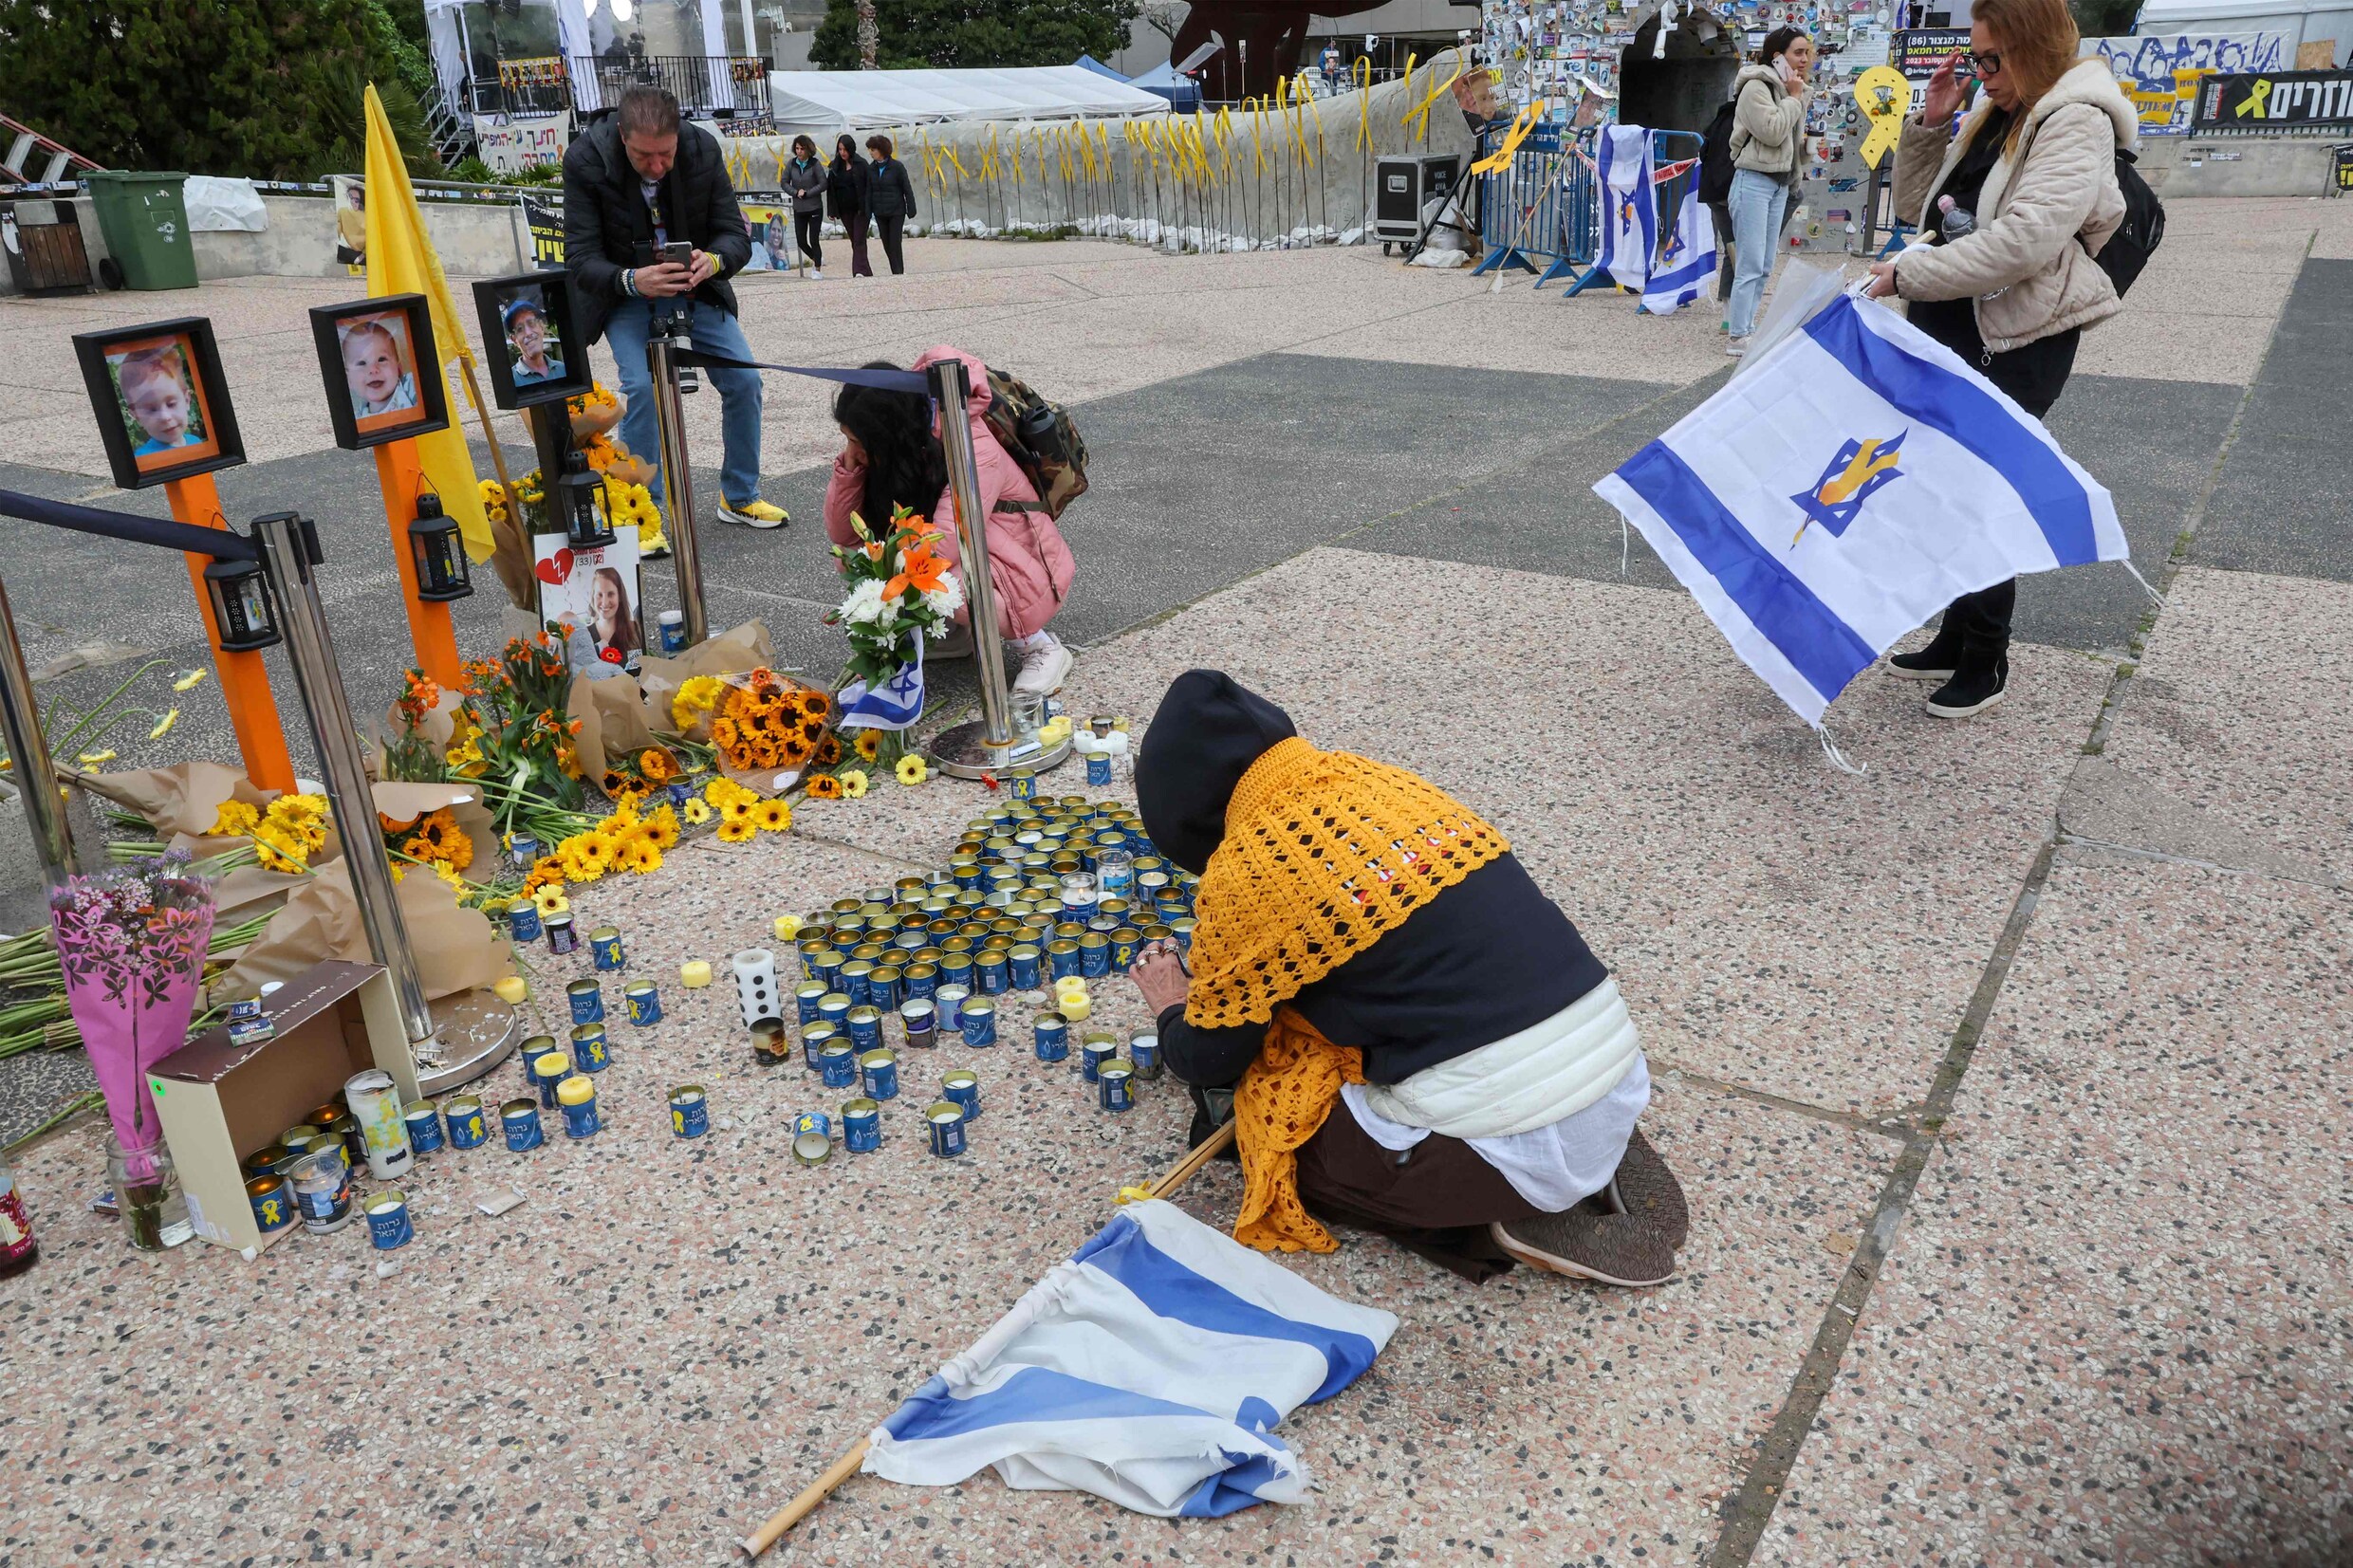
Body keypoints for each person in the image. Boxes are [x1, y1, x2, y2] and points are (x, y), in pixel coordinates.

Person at [1124, 672, 1688, 1285]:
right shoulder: (1381, 784)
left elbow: (1207, 1057)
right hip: (1610, 1064)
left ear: (1184, 815)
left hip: (1503, 1132)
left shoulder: (1250, 866)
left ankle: (1506, 1216)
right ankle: (1592, 1141)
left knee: (1267, 1125)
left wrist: (1172, 1005)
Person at [1865, 0, 2132, 719]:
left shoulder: (2074, 119)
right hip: (1957, 329)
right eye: (1975, 58)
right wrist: (1931, 124)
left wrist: (1907, 276)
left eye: (1993, 58)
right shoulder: (1997, 113)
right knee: (1944, 488)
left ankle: (1986, 657)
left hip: (2017, 339)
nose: (1981, 72)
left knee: (1978, 492)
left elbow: (2024, 243)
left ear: (2035, 48)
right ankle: (1955, 636)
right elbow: (1917, 209)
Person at [564, 83, 788, 529]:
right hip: (627, 295)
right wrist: (632, 279)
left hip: (696, 290)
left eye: (666, 154)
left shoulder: (702, 149)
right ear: (622, 136)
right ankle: (644, 512)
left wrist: (714, 261)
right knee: (642, 389)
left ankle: (740, 495)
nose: (657, 167)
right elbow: (580, 257)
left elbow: (734, 235)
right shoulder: (585, 159)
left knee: (745, 381)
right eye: (643, 156)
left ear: (679, 135)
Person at [824, 346, 1076, 694]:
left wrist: (882, 571)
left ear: (886, 434)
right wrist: (849, 469)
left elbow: (945, 545)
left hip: (1023, 565)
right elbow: (842, 532)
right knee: (856, 556)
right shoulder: (900, 445)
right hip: (974, 547)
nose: (852, 450)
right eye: (847, 439)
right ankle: (955, 634)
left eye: (857, 441)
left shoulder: (971, 444)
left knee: (940, 576)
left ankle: (1039, 645)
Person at [1724, 28, 1813, 354]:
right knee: (1749, 262)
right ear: (1777, 56)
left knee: (1764, 263)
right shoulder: (1755, 87)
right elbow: (1772, 132)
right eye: (1797, 53)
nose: (1804, 60)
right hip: (1753, 180)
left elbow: (1786, 142)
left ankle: (1748, 327)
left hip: (1779, 183)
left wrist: (1806, 153)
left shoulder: (1793, 90)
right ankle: (1737, 335)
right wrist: (1793, 99)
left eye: (1807, 53)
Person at [117, 346, 199, 455]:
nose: (165, 417)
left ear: (187, 400)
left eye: (171, 404)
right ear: (137, 416)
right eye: (152, 410)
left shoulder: (196, 442)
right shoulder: (144, 458)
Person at [863, 134, 917, 276]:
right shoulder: (871, 169)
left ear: (881, 150)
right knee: (886, 244)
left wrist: (911, 207)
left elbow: (907, 188)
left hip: (896, 211)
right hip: (880, 212)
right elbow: (868, 191)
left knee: (895, 243)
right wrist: (868, 211)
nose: (870, 153)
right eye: (869, 149)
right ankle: (896, 271)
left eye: (873, 149)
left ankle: (898, 273)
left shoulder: (897, 167)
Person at [341, 320, 417, 415]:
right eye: (361, 363)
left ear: (399, 369)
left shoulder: (410, 386)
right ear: (349, 380)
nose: (373, 370)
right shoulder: (357, 417)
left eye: (381, 359)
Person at [827, 134, 873, 278]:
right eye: (840, 149)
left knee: (859, 239)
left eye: (845, 149)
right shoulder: (835, 167)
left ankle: (858, 271)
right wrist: (832, 210)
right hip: (845, 210)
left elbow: (869, 186)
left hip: (861, 209)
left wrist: (869, 205)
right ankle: (866, 272)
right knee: (855, 240)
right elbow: (831, 190)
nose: (842, 152)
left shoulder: (861, 164)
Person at [783, 135, 826, 278]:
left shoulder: (815, 164)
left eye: (802, 149)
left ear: (808, 149)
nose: (799, 151)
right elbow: (784, 182)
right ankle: (816, 257)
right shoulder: (791, 164)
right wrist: (795, 192)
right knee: (801, 241)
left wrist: (808, 193)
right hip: (799, 208)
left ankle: (817, 270)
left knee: (814, 239)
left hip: (814, 207)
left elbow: (823, 184)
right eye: (797, 148)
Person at [503, 298, 565, 386]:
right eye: (520, 329)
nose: (528, 333)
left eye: (531, 323)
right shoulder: (511, 381)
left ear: (542, 327)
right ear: (514, 340)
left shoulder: (563, 370)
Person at [588, 564, 638, 664]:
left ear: (620, 596)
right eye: (599, 595)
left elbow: (639, 669)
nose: (605, 602)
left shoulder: (635, 630)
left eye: (610, 594)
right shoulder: (584, 636)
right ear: (593, 597)